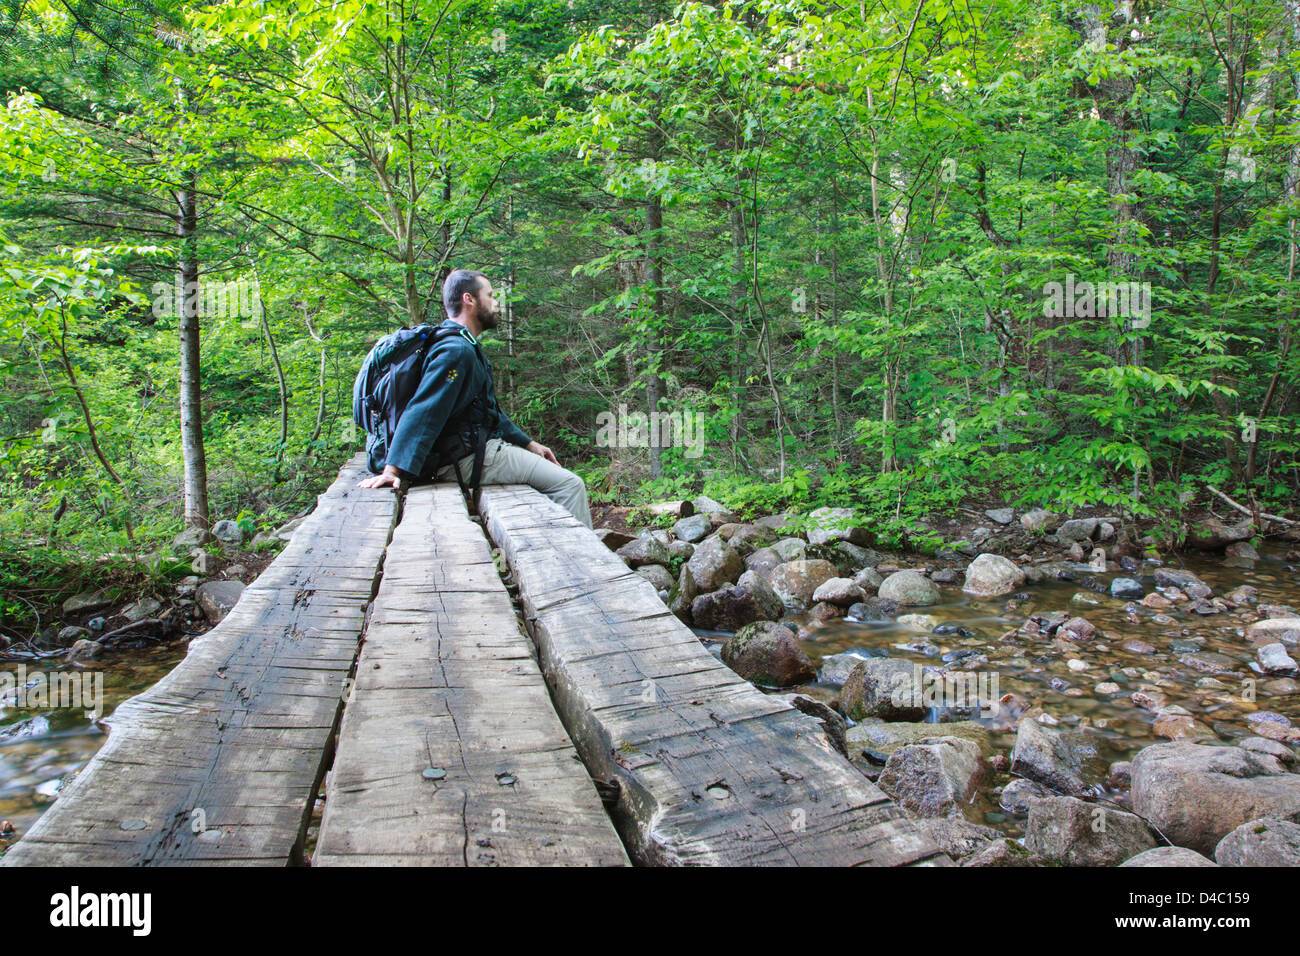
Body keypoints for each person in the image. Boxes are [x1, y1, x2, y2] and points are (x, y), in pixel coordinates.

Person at [356, 269, 593, 529]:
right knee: (569, 484)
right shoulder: (456, 351)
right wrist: (393, 470)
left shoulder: (459, 344)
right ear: (469, 299)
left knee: (559, 480)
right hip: (460, 458)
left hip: (464, 450)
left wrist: (528, 443)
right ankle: (581, 566)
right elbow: (424, 410)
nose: (495, 303)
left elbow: (487, 410)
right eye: (490, 296)